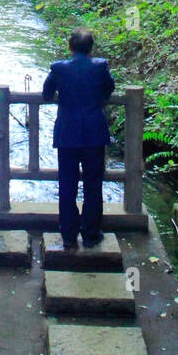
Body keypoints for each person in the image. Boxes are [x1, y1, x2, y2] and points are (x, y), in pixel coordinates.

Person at [42, 27, 115, 249]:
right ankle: (91, 235)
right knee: (93, 185)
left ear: (70, 46)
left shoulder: (59, 69)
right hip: (93, 133)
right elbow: (108, 90)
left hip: (68, 134)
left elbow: (46, 94)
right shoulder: (100, 67)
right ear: (90, 48)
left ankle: (68, 236)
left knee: (67, 186)